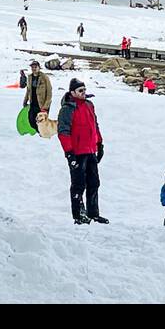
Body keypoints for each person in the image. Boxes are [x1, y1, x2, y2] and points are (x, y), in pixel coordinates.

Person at [57, 78, 107, 224]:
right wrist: (69, 153)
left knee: (94, 182)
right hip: (77, 152)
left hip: (90, 150)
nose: (83, 93)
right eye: (80, 91)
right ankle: (79, 215)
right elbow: (63, 132)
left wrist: (100, 144)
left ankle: (93, 213)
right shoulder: (67, 109)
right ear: (72, 92)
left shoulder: (89, 105)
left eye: (84, 90)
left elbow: (95, 126)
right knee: (78, 184)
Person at [23, 60, 53, 135]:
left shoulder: (44, 77)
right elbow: (28, 90)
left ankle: (43, 134)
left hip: (42, 104)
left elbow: (49, 92)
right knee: (31, 120)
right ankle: (39, 132)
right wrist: (25, 101)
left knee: (41, 122)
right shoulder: (30, 77)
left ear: (39, 67)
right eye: (32, 67)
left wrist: (46, 106)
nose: (34, 68)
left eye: (35, 67)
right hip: (33, 103)